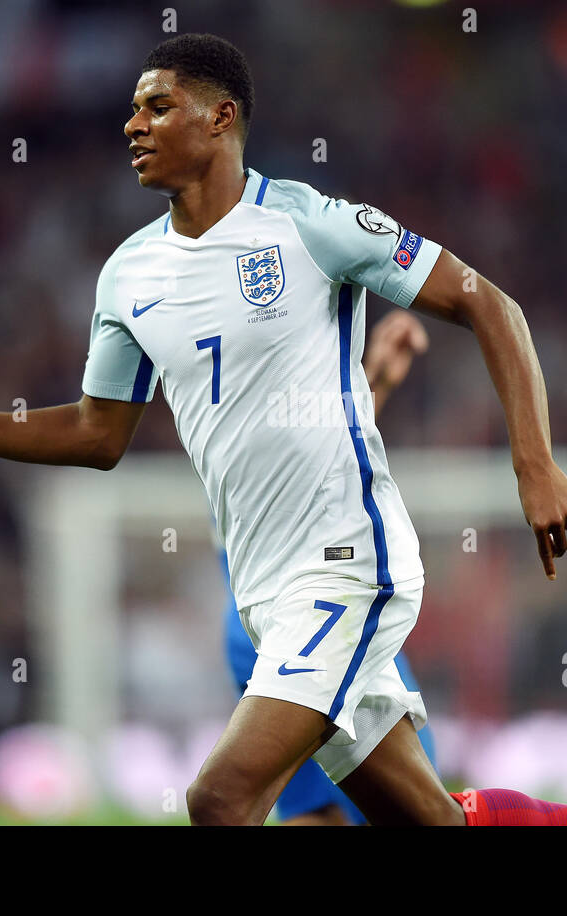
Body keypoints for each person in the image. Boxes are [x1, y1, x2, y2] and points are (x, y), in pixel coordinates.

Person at [0, 33, 567, 826]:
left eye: (157, 106)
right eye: (131, 109)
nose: (132, 125)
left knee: (219, 800)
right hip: (263, 592)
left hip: (347, 565)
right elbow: (96, 435)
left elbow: (490, 303)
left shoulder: (309, 224)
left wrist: (535, 462)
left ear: (221, 118)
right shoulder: (128, 275)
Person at [222, 308, 436, 825]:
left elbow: (317, 451)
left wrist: (373, 380)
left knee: (418, 812)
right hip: (309, 609)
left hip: (315, 605)